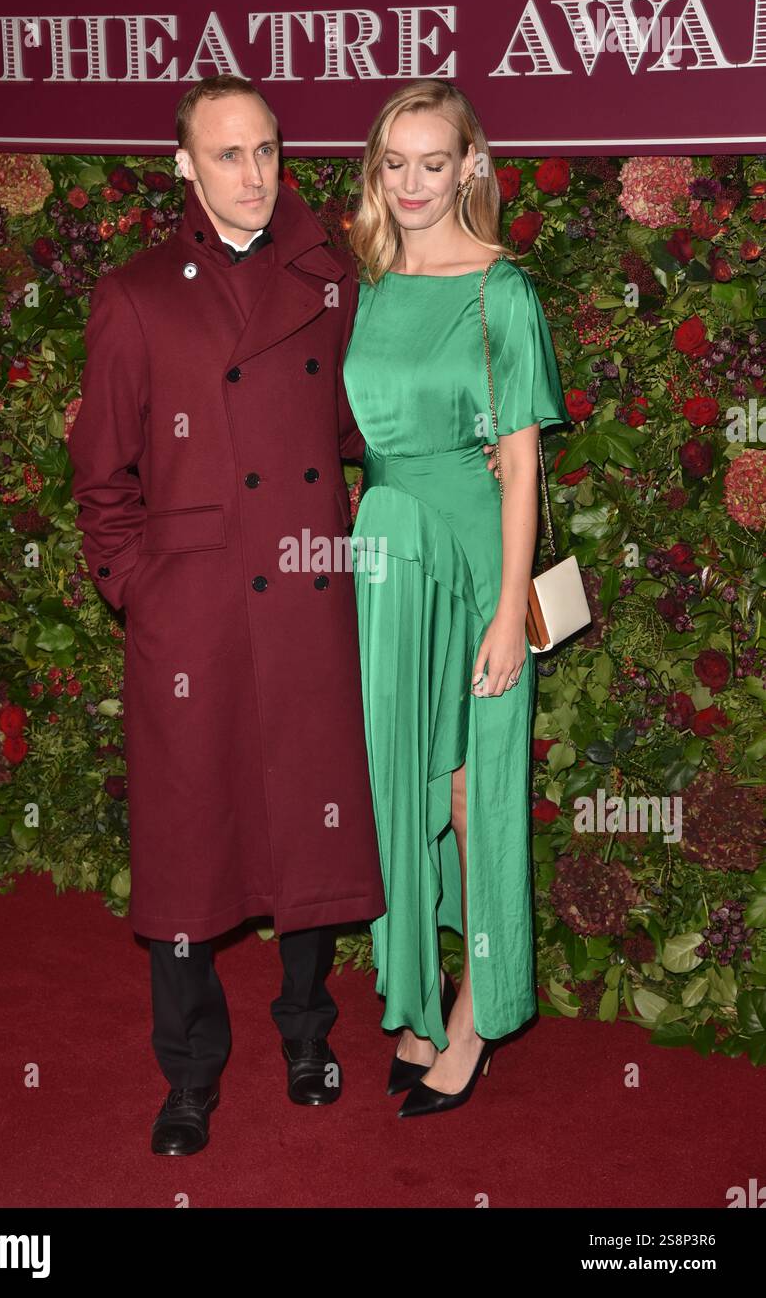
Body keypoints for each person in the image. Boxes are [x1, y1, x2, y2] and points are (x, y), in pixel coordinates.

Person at [67, 75, 387, 1156]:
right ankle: (190, 1071)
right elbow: (101, 474)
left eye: (267, 150)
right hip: (193, 618)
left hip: (304, 594)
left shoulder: (332, 278)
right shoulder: (137, 292)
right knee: (189, 837)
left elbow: (359, 426)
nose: (254, 175)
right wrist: (138, 587)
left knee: (311, 821)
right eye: (228, 155)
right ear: (183, 169)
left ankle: (306, 1031)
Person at [342, 80, 569, 1118]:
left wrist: (508, 609)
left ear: (470, 165)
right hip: (386, 547)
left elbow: (520, 466)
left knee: (476, 789)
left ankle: (479, 1011)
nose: (414, 183)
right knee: (404, 783)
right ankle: (415, 994)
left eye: (435, 163)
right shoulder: (373, 280)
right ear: (376, 172)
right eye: (396, 164)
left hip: (478, 559)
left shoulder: (501, 289)